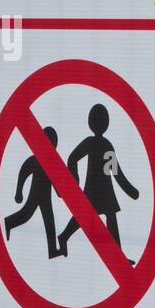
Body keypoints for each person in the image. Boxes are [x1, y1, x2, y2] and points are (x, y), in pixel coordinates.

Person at [57, 103, 139, 259]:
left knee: (107, 216)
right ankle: (64, 236)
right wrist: (75, 178)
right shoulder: (95, 143)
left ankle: (118, 255)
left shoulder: (104, 145)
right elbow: (73, 158)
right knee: (86, 217)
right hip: (96, 189)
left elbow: (116, 172)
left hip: (104, 190)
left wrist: (131, 191)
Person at [4, 126, 61, 259]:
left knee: (49, 221)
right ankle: (9, 223)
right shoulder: (36, 160)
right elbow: (24, 172)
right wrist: (19, 191)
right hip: (36, 194)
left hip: (45, 197)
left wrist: (60, 192)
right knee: (26, 215)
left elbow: (57, 181)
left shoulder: (52, 162)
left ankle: (52, 250)